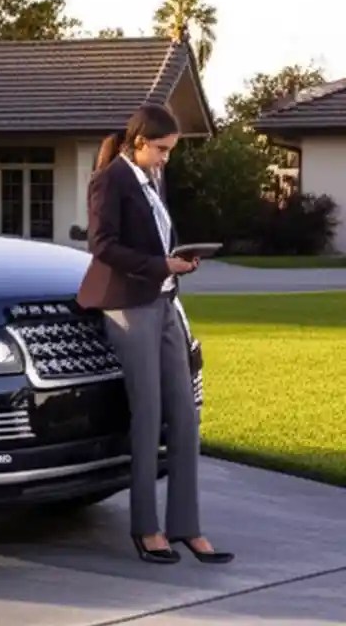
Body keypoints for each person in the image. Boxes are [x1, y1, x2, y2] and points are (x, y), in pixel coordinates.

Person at [77, 103, 234, 566]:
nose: (167, 158)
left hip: (165, 302)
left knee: (185, 413)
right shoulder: (111, 180)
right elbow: (102, 246)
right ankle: (147, 529)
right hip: (128, 305)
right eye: (162, 149)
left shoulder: (154, 178)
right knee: (147, 414)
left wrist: (178, 260)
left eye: (170, 151)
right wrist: (158, 265)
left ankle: (187, 527)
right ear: (140, 141)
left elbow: (157, 239)